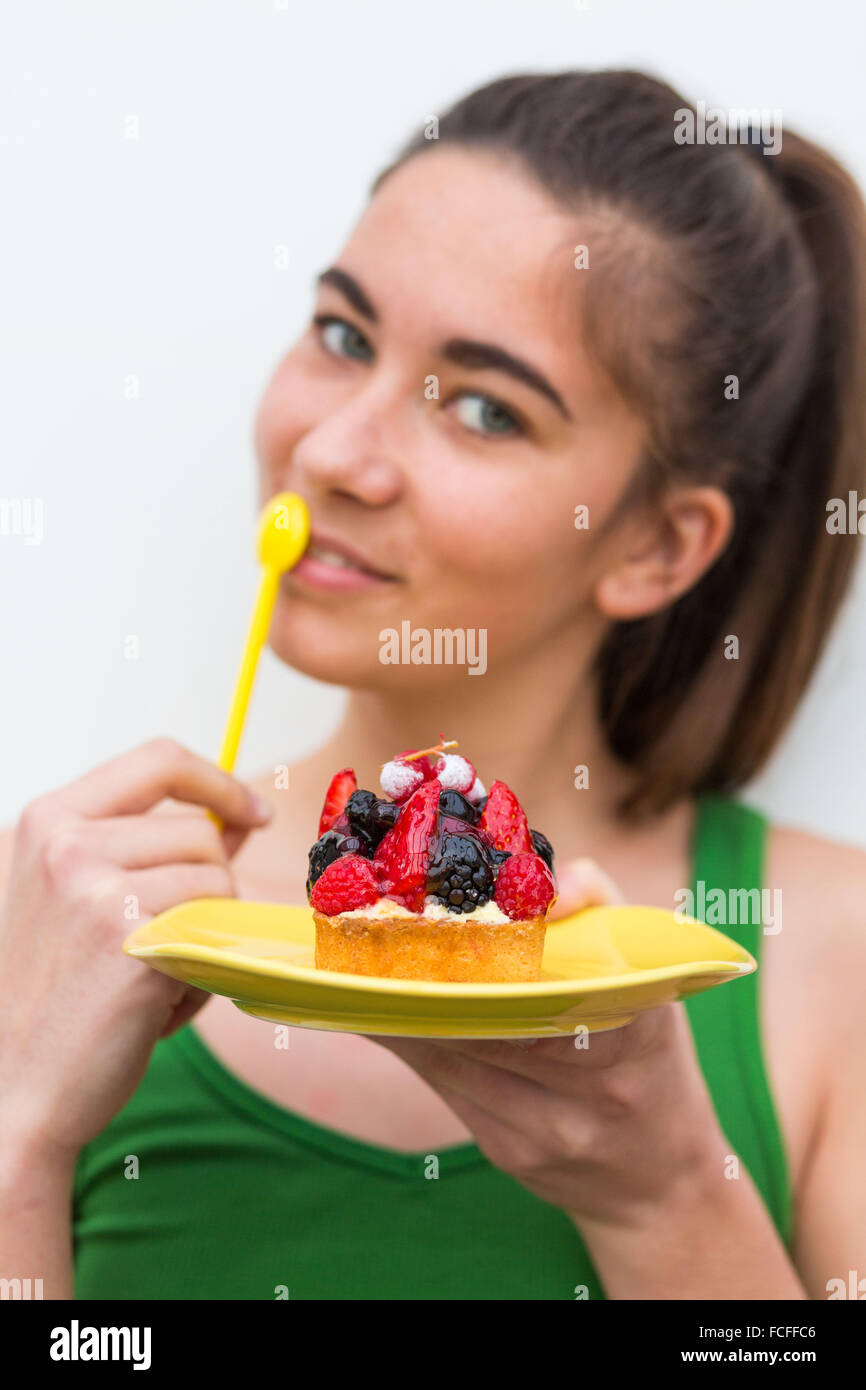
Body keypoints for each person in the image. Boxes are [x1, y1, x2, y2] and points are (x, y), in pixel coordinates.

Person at [2, 69, 865, 1301]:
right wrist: (15, 1132)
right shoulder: (55, 906)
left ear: (656, 546)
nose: (333, 451)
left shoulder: (833, 963)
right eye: (343, 335)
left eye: (479, 409)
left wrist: (664, 1197)